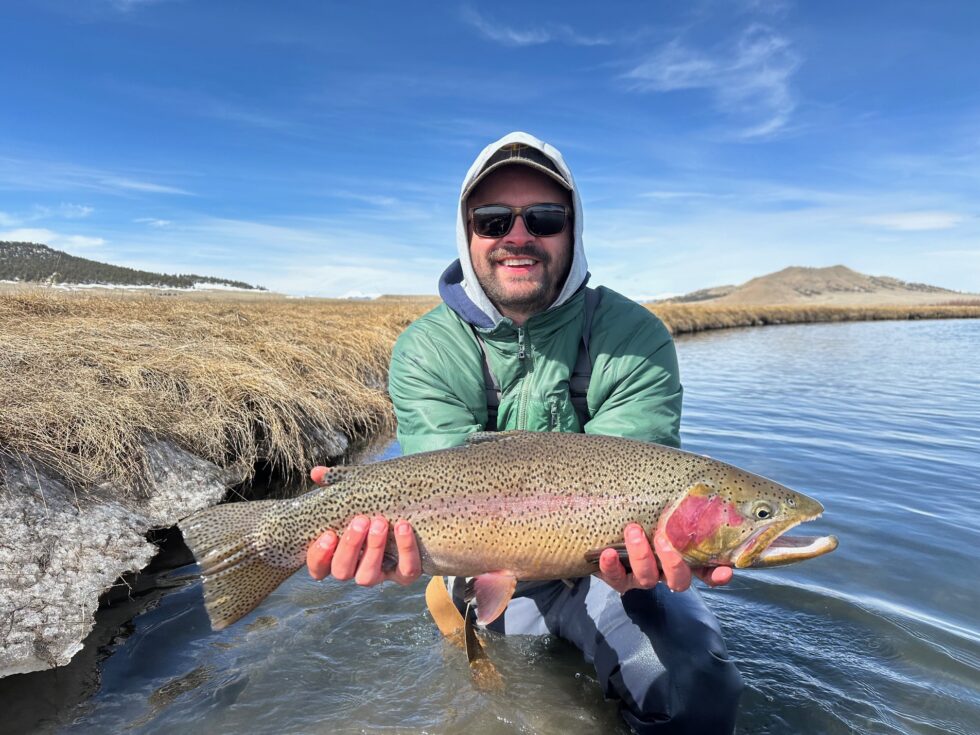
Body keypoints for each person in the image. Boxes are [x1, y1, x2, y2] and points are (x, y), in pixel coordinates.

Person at [306, 132, 744, 733]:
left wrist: (665, 545)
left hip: (605, 572)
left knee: (695, 689)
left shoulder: (635, 337)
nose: (518, 236)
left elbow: (635, 482)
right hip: (477, 566)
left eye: (543, 218)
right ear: (468, 234)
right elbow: (441, 485)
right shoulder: (425, 349)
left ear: (573, 230)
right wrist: (370, 530)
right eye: (493, 220)